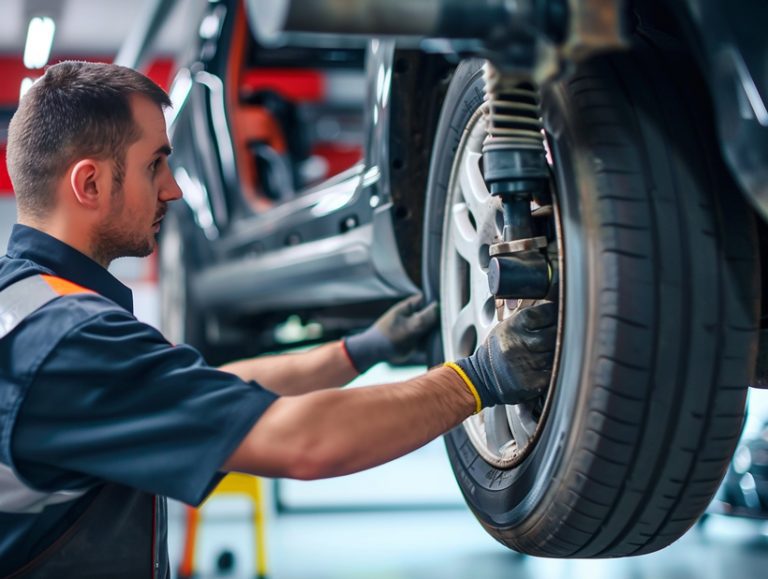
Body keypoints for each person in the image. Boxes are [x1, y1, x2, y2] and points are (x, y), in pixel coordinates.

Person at [0, 61, 556, 578]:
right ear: (89, 184)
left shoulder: (29, 308)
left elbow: (221, 393)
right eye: (155, 164)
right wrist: (476, 381)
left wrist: (361, 350)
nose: (172, 187)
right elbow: (302, 442)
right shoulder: (65, 341)